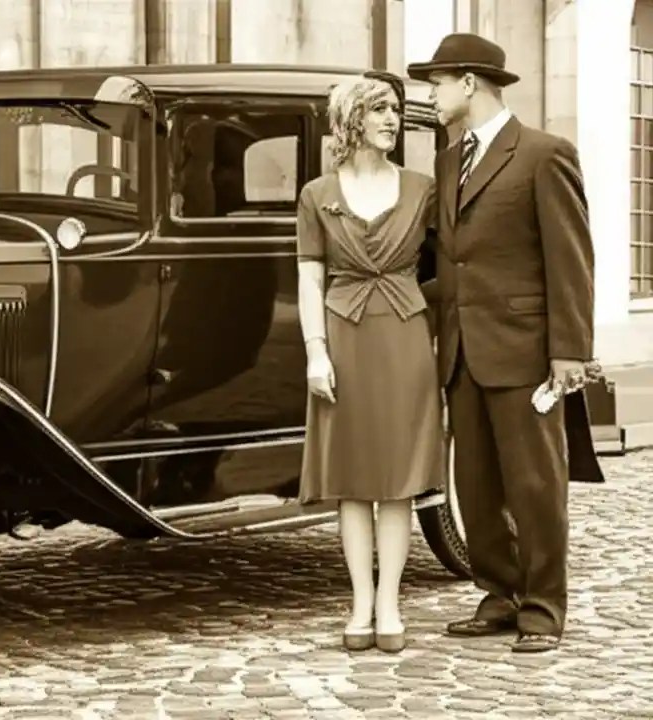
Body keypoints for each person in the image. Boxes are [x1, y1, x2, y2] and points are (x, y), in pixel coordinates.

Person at [407, 33, 596, 653]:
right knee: (477, 486)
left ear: (469, 83)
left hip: (525, 350)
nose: (429, 94)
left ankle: (543, 607)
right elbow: (452, 262)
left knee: (535, 485)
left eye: (436, 82)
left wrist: (569, 353)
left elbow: (571, 260)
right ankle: (500, 592)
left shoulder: (543, 154)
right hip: (462, 351)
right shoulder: (445, 159)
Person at [296, 75, 446, 654]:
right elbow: (309, 276)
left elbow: (456, 262)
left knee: (399, 480)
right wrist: (315, 352)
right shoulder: (316, 194)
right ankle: (360, 601)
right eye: (381, 108)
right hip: (342, 338)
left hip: (405, 338)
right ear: (352, 119)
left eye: (396, 109)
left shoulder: (421, 189)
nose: (393, 118)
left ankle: (390, 602)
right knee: (353, 482)